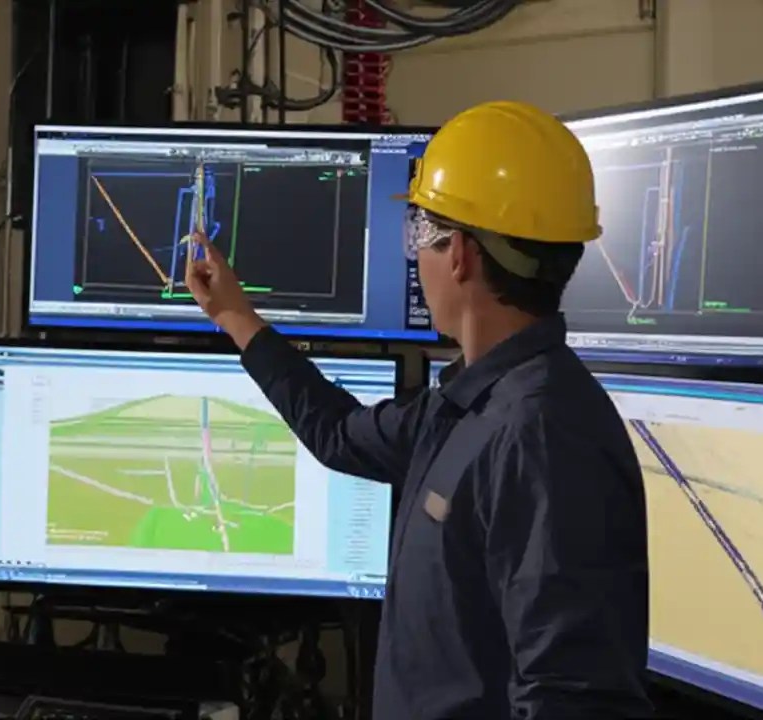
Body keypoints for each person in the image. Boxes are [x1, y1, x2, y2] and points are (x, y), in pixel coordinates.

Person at [185, 101, 653, 720]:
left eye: (419, 233)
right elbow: (338, 433)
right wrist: (235, 317)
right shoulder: (466, 406)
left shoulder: (542, 436)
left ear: (458, 253)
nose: (416, 256)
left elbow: (574, 700)